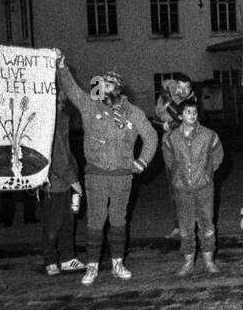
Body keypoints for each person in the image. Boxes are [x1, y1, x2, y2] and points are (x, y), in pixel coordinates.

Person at [55, 56, 157, 285]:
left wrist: (142, 162)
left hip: (122, 177)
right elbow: (72, 90)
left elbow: (150, 136)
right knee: (95, 220)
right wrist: (62, 67)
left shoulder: (133, 112)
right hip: (96, 176)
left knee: (118, 220)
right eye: (103, 84)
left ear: (118, 89)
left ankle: (118, 263)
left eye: (109, 86)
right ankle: (91, 266)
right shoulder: (90, 105)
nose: (104, 88)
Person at [163, 99, 224, 276]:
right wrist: (177, 176)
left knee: (207, 223)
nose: (192, 115)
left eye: (194, 112)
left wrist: (207, 173)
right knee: (185, 226)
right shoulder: (172, 138)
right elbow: (168, 158)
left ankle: (208, 260)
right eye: (188, 112)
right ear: (180, 116)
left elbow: (218, 155)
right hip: (182, 189)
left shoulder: (209, 135)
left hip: (204, 187)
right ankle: (188, 262)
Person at [40, 86, 84, 276]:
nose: (66, 95)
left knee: (67, 219)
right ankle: (51, 260)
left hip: (62, 179)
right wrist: (73, 179)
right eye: (63, 92)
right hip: (56, 181)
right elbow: (57, 153)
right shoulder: (51, 119)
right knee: (54, 222)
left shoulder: (59, 117)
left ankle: (66, 258)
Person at [156, 76, 195, 240]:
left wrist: (170, 121)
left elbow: (182, 117)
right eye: (180, 87)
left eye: (186, 87)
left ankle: (192, 225)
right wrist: (163, 121)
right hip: (170, 149)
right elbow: (159, 113)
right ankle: (178, 226)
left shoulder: (192, 101)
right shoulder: (169, 95)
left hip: (187, 151)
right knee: (174, 190)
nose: (183, 91)